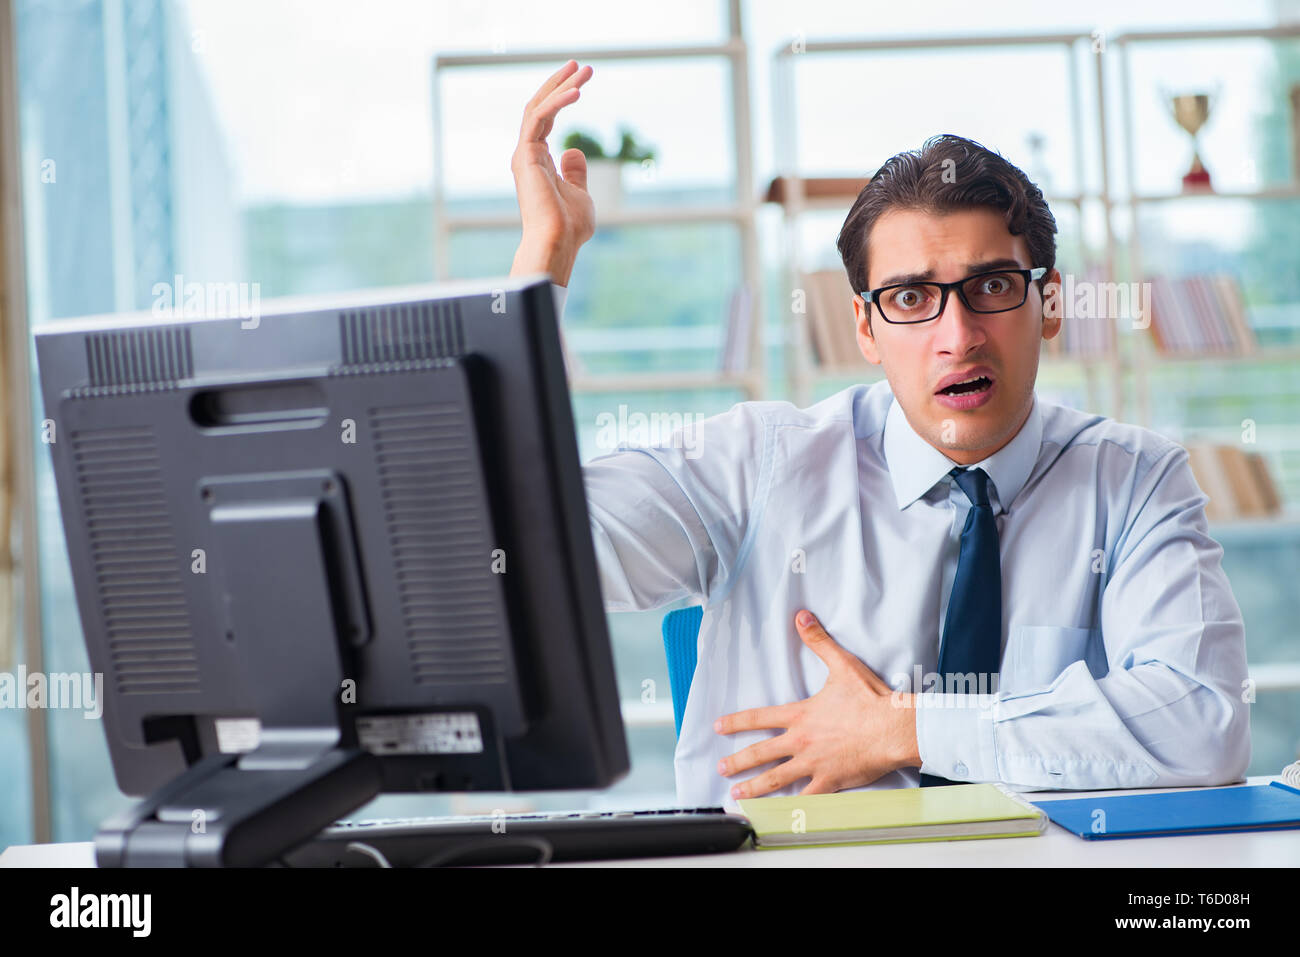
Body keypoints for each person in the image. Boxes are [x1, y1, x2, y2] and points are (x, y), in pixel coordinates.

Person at [508, 60, 1250, 806]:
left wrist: (910, 728)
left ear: (1049, 302)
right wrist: (545, 259)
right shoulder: (755, 463)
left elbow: (1202, 722)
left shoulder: (1135, 480)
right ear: (865, 326)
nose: (957, 336)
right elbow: (525, 542)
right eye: (911, 297)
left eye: (992, 287)